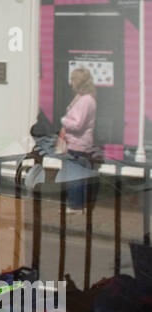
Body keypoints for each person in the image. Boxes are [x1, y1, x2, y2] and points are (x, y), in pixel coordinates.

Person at [58, 68, 97, 212]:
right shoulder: (82, 98)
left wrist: (64, 120)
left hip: (78, 145)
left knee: (75, 176)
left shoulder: (86, 100)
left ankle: (76, 205)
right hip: (78, 143)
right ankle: (78, 204)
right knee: (77, 175)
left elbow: (78, 124)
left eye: (73, 80)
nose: (71, 83)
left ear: (79, 82)